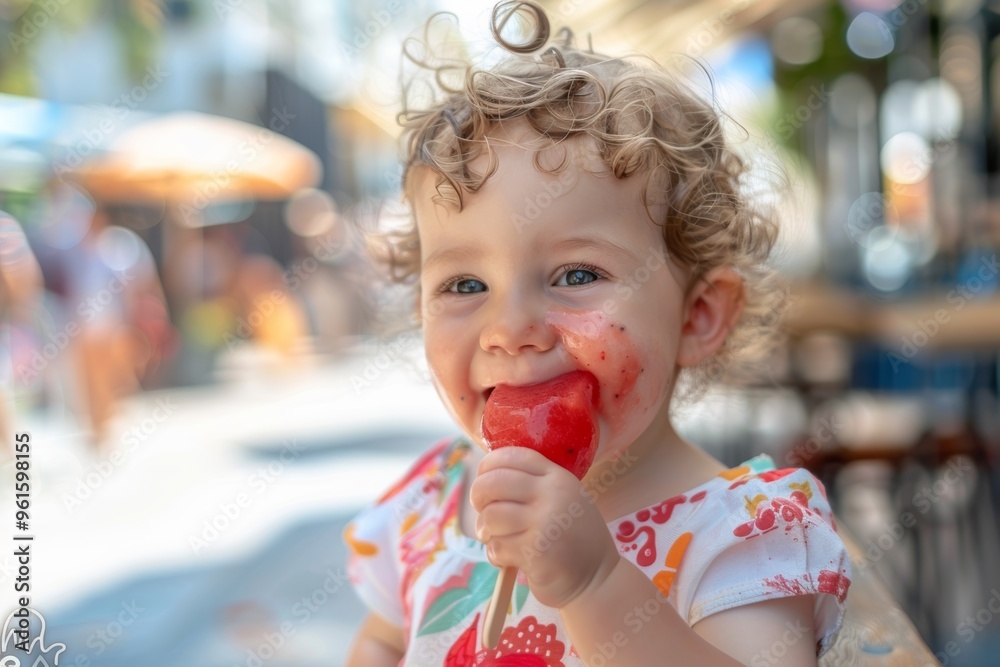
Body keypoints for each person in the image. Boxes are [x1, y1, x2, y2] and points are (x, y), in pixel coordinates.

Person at [344, 2, 850, 665]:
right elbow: (381, 643)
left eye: (576, 273)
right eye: (465, 285)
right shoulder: (426, 509)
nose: (511, 328)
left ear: (698, 316)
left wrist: (594, 584)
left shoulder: (743, 534)